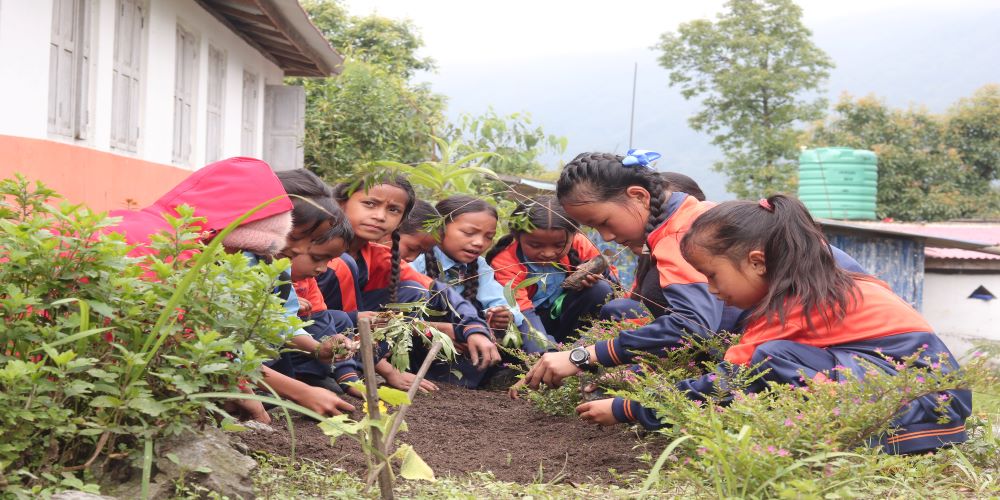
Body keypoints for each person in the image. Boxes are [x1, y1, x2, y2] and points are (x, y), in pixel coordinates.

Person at [577, 195, 972, 455]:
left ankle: (870, 440)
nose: (712, 289)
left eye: (712, 275)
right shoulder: (816, 286)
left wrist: (631, 408)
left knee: (771, 359)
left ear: (757, 261)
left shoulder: (792, 306)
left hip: (925, 410)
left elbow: (726, 383)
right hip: (922, 398)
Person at [107, 157, 356, 422]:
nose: (292, 249)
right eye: (290, 236)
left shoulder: (172, 238)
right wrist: (299, 391)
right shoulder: (178, 255)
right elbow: (193, 344)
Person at [315, 177, 500, 390]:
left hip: (343, 329)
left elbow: (437, 291)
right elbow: (343, 318)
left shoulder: (375, 254)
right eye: (370, 204)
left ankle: (356, 366)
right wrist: (388, 370)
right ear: (340, 203)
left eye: (393, 210)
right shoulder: (338, 260)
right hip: (317, 335)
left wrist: (472, 328)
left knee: (414, 292)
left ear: (401, 220)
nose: (379, 216)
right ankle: (348, 369)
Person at [486, 195, 617, 346]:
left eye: (559, 245)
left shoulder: (579, 243)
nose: (548, 253)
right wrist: (547, 352)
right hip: (526, 327)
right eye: (536, 245)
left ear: (574, 235)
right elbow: (522, 314)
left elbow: (615, 282)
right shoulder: (506, 262)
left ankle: (576, 347)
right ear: (517, 236)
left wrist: (599, 274)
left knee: (600, 289)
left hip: (564, 319)